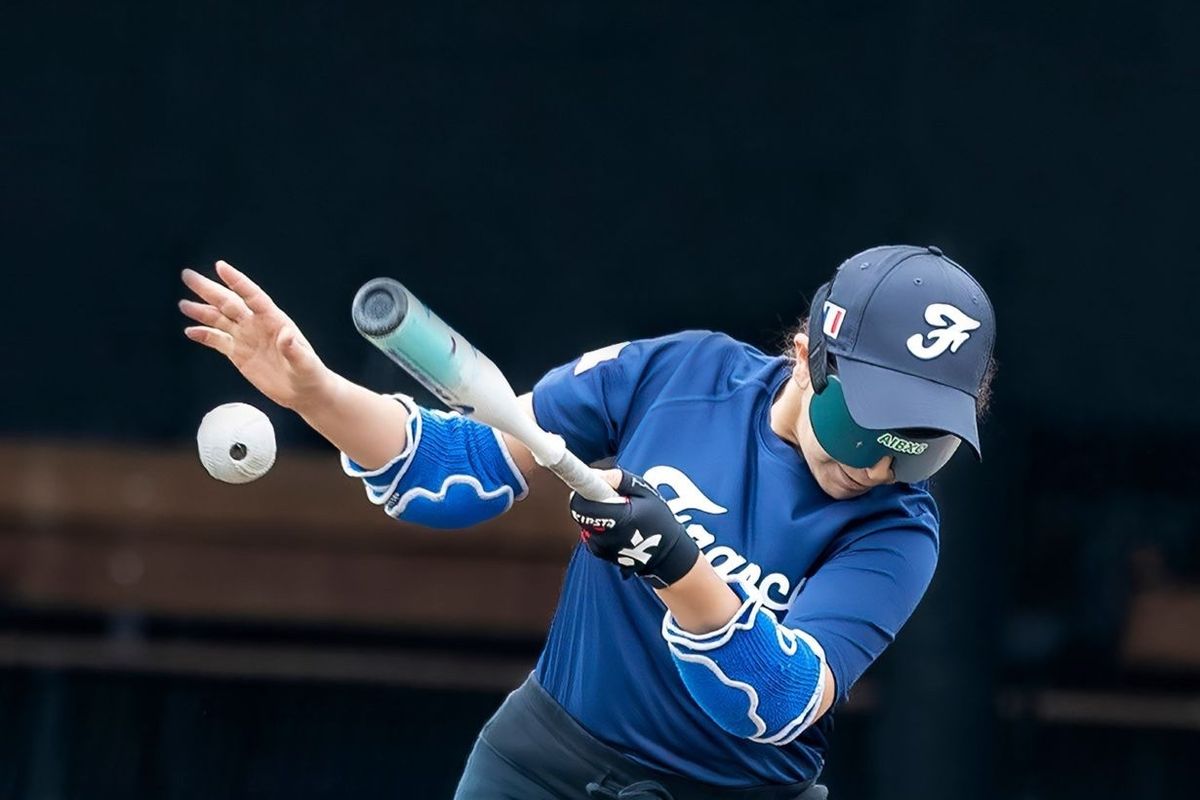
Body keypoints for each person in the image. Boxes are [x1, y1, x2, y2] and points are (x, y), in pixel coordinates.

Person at [179, 244, 996, 799]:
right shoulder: (682, 372)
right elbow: (454, 473)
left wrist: (675, 565)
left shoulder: (898, 531)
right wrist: (315, 393)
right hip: (542, 767)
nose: (884, 465)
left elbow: (778, 699)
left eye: (921, 448)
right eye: (870, 425)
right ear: (810, 354)